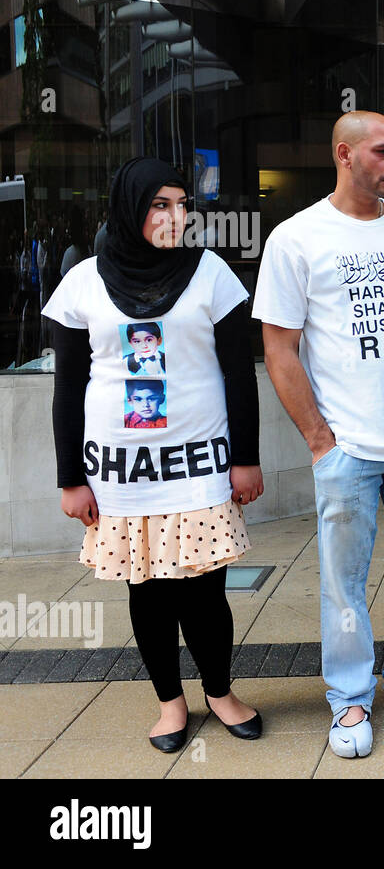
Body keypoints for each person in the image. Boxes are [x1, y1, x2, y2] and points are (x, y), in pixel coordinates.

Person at [256, 111, 384, 759]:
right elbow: (280, 350)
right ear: (345, 155)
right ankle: (349, 698)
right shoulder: (297, 238)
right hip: (348, 447)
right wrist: (321, 441)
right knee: (344, 583)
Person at [44, 156, 263, 753]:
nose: (175, 216)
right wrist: (71, 479)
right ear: (129, 208)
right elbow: (67, 388)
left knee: (206, 590)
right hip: (120, 471)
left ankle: (220, 692)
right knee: (148, 590)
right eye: (160, 205)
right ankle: (170, 702)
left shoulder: (212, 273)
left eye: (182, 204)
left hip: (199, 461)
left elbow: (239, 375)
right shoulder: (83, 282)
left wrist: (245, 458)